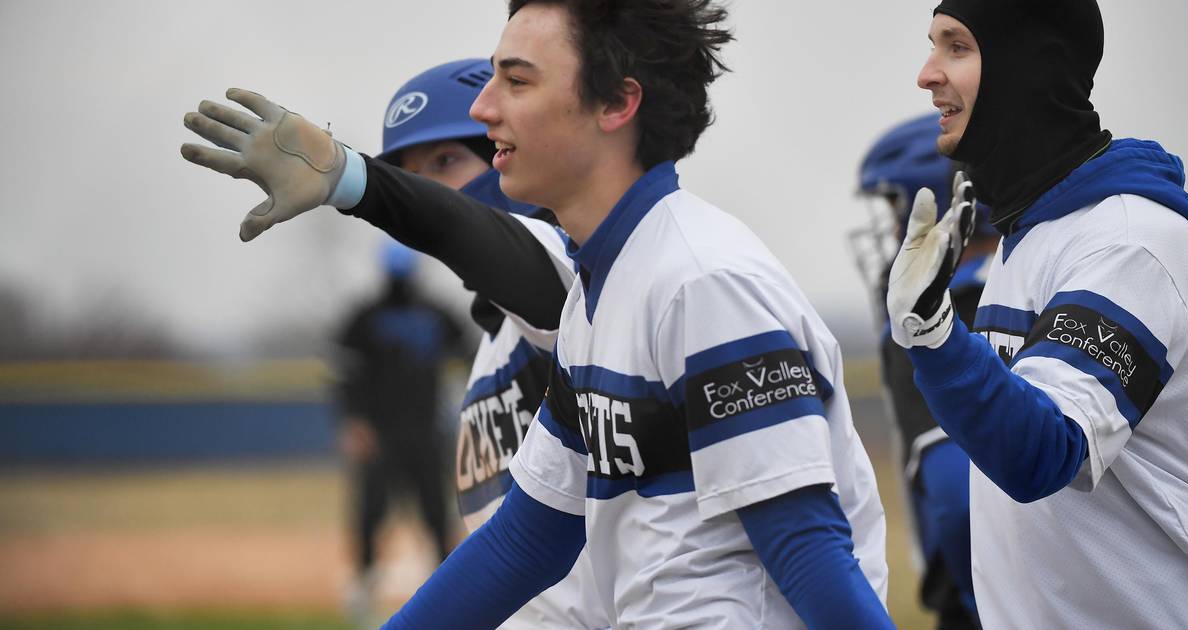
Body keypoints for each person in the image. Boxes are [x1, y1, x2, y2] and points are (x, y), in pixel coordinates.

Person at [179, 1, 894, 628]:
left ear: (616, 104)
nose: (488, 109)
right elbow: (528, 538)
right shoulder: (598, 291)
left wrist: (355, 180)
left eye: (517, 81)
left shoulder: (699, 281)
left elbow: (805, 550)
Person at [887, 1, 1188, 627]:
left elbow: (1045, 456)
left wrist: (935, 335)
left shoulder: (1129, 240)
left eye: (957, 47)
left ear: (1028, 68)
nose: (926, 73)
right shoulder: (1031, 233)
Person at [370, 57, 609, 629]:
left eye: (445, 161)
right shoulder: (494, 339)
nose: (421, 189)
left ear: (510, 153)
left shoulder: (571, 272)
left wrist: (358, 185)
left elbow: (504, 251)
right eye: (408, 173)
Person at [853, 112, 1000, 630]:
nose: (894, 229)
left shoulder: (929, 319)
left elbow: (958, 498)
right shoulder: (1033, 294)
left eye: (899, 206)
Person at [333, 240, 465, 626]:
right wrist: (354, 421)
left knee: (436, 511)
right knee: (371, 511)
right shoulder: (366, 317)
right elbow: (346, 375)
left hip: (426, 431)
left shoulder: (436, 314)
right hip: (381, 434)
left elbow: (470, 351)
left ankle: (449, 587)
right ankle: (364, 582)